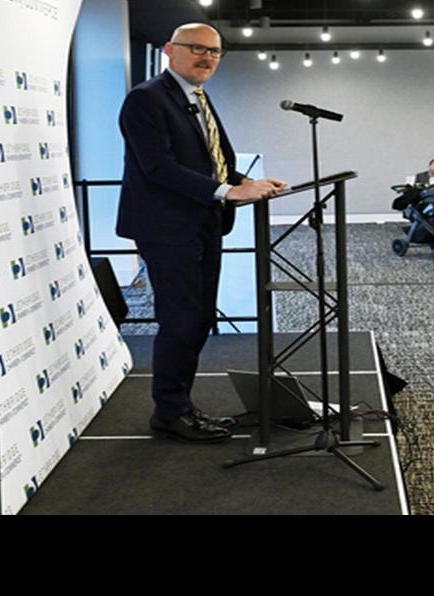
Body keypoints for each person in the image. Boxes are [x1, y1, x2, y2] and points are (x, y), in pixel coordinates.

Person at [117, 22, 287, 441]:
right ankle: (170, 413)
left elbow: (211, 160)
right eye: (196, 48)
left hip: (203, 223)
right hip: (167, 227)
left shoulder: (196, 97)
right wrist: (228, 190)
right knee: (181, 320)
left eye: (214, 51)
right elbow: (158, 167)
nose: (207, 57)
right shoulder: (146, 99)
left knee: (197, 319)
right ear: (169, 50)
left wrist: (244, 182)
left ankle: (182, 405)